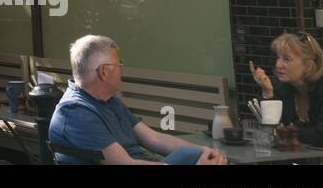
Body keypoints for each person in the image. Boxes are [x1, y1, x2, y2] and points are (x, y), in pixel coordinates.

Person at [49, 35, 227, 165]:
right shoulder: (76, 112)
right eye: (119, 64)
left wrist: (206, 152)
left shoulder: (109, 101)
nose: (122, 69)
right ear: (104, 72)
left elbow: (155, 138)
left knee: (196, 155)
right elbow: (125, 164)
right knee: (190, 156)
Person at [249, 32, 323, 150]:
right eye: (278, 57)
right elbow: (268, 132)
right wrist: (268, 94)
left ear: (308, 65)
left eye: (287, 59)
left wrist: (285, 132)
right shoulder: (283, 86)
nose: (278, 65)